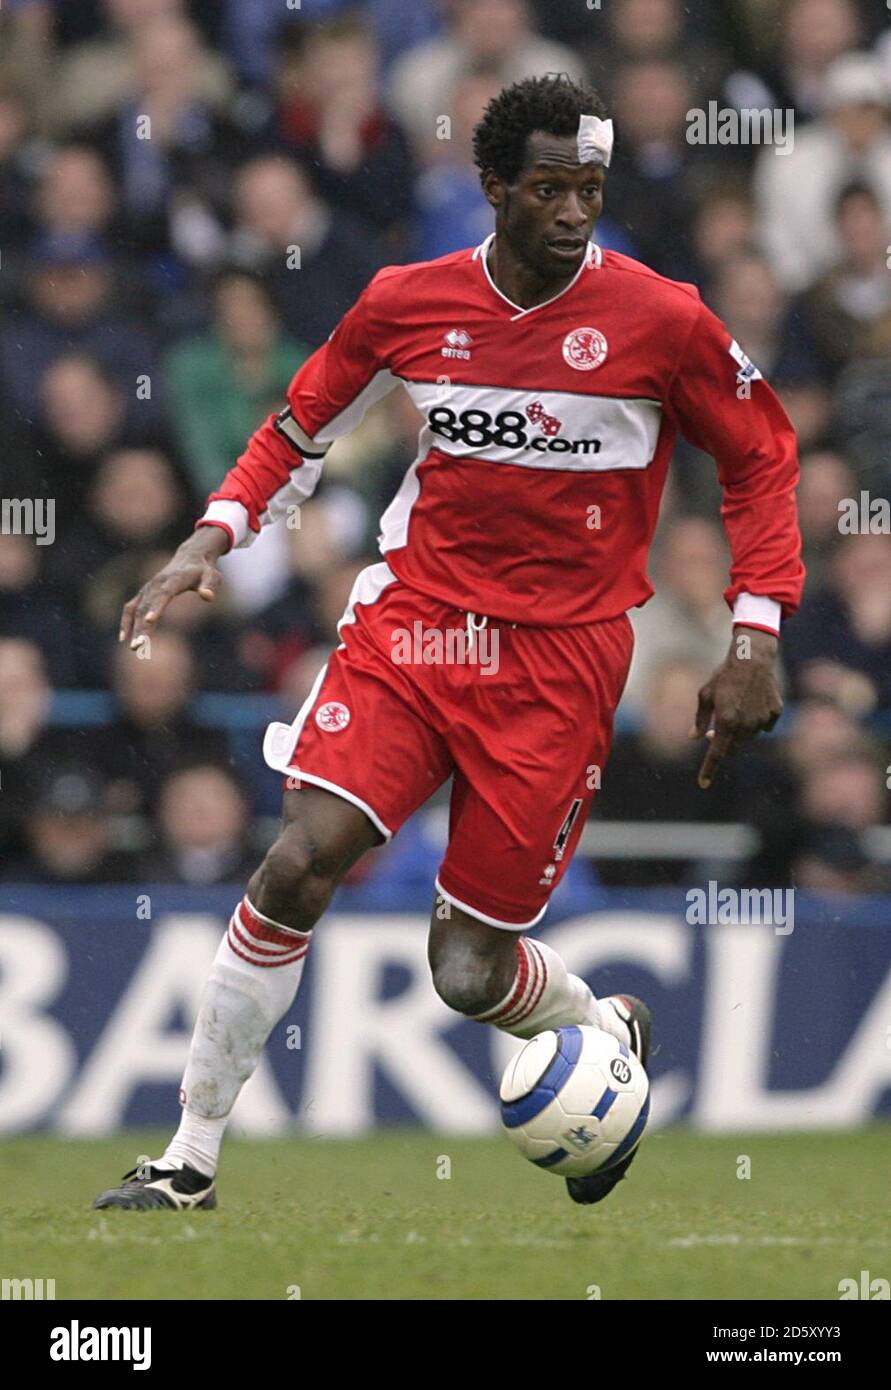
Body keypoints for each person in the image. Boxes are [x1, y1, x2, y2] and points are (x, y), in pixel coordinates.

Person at [93, 75, 803, 1215]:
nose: (573, 212)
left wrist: (754, 633)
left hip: (562, 663)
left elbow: (762, 458)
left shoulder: (662, 319)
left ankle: (601, 1023)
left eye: (590, 189)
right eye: (549, 188)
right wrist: (208, 536)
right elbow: (298, 426)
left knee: (466, 972)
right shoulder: (406, 301)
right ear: (492, 188)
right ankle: (189, 1158)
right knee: (300, 860)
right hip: (416, 626)